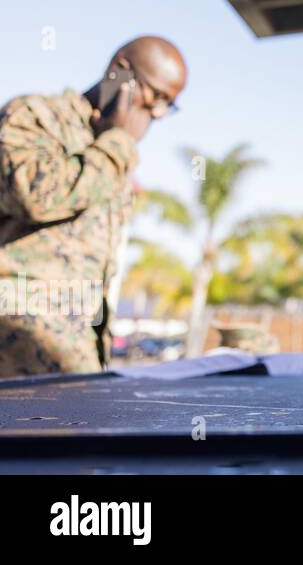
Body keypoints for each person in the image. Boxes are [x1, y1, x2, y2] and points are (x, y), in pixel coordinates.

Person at [0, 36, 187, 377]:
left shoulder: (110, 147)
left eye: (168, 105)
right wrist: (118, 143)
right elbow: (34, 196)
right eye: (156, 96)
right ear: (120, 71)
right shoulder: (36, 115)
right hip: (17, 347)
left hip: (77, 353)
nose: (157, 113)